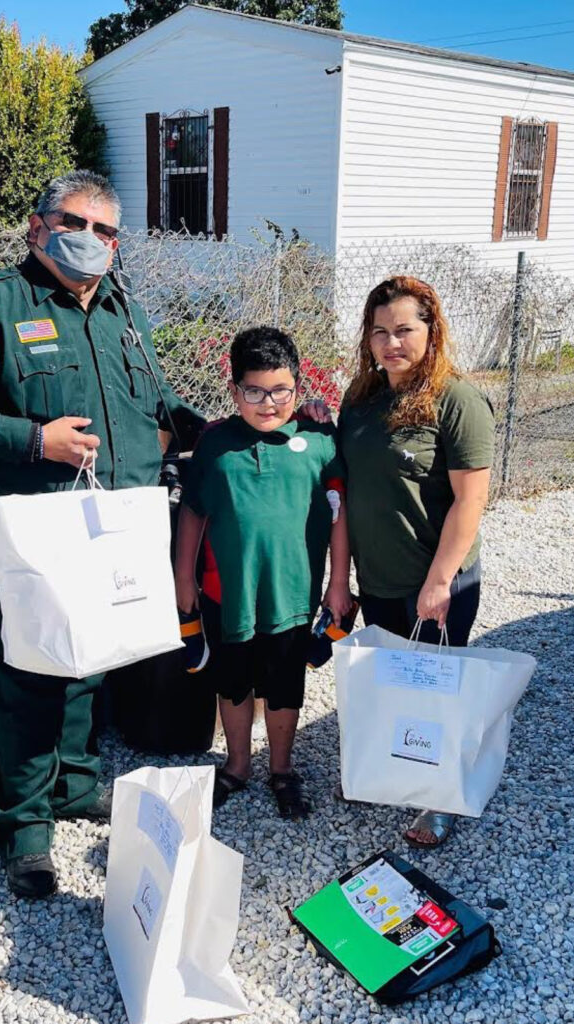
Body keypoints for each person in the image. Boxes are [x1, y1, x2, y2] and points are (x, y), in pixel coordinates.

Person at [0, 171, 204, 898]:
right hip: (29, 536)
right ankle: (23, 827)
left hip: (112, 526)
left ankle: (72, 785)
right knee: (29, 677)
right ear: (38, 228)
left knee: (91, 661)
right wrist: (34, 440)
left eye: (106, 230)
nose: (91, 240)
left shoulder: (122, 311)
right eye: (76, 223)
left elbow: (157, 399)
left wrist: (225, 428)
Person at [310, 276, 495, 848]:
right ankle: (388, 773)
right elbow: (347, 489)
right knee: (391, 683)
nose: (391, 343)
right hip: (380, 579)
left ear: (431, 331)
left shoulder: (456, 400)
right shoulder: (361, 399)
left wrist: (439, 582)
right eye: (379, 332)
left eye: (404, 330)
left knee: (435, 694)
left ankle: (438, 801)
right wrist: (340, 580)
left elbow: (470, 501)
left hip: (436, 581)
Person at [174, 326, 353, 820]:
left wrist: (339, 583)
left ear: (298, 386)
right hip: (226, 593)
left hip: (292, 596)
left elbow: (340, 516)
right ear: (235, 391)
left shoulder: (319, 440)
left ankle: (281, 768)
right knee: (232, 683)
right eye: (254, 391)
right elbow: (193, 513)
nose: (268, 403)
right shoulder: (214, 444)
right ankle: (237, 766)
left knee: (284, 685)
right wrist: (184, 579)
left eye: (280, 391)